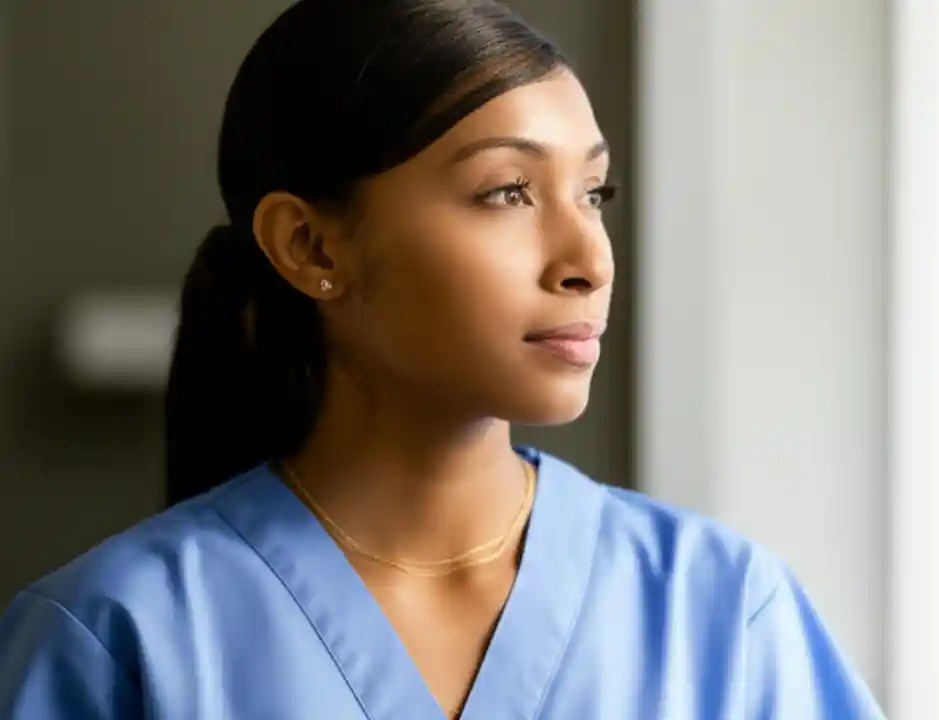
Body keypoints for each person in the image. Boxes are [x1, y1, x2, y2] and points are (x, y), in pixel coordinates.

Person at [0, 1, 884, 717]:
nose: (590, 260)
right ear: (311, 246)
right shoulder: (115, 640)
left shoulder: (720, 612)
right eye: (508, 192)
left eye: (594, 192)